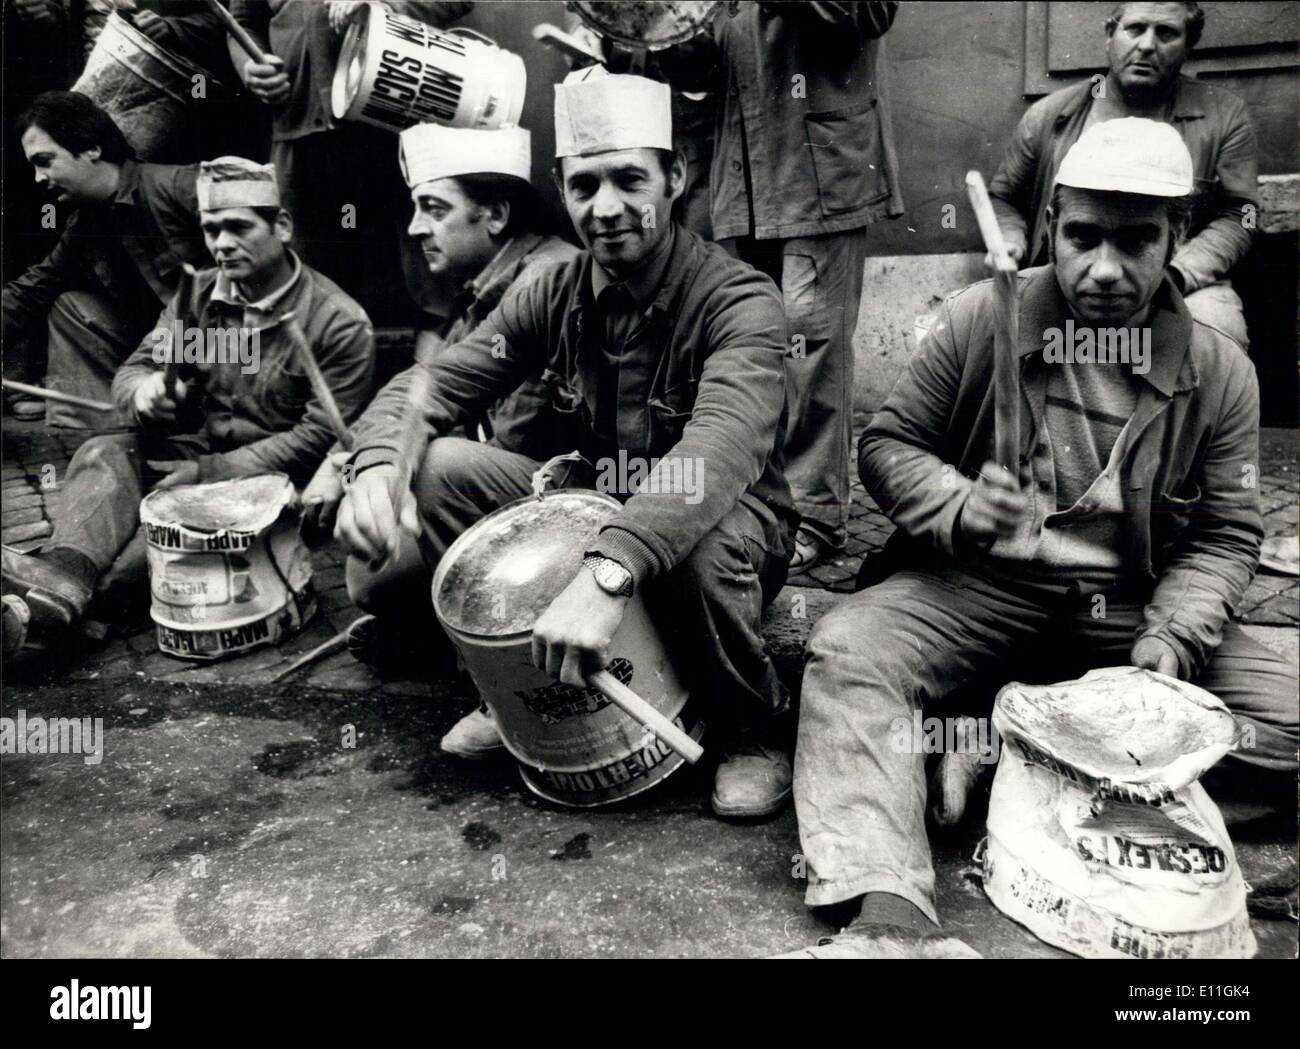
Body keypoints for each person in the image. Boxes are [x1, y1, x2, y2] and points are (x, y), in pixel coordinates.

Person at [781, 119, 1297, 958]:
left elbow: (1225, 533)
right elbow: (887, 443)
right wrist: (954, 503)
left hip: (1129, 604)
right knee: (847, 652)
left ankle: (990, 755)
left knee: (1291, 729)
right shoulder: (979, 316)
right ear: (1052, 223)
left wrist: (1173, 637)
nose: (1104, 270)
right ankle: (889, 913)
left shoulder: (1223, 370)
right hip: (983, 587)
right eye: (1083, 236)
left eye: (1136, 242)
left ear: (1174, 237)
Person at [335, 70, 800, 819]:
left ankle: (754, 724)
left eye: (629, 179)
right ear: (562, 186)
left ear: (675, 177)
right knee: (445, 469)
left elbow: (719, 446)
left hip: (723, 517)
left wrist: (612, 568)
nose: (607, 207)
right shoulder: (553, 292)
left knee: (705, 547)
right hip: (593, 505)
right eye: (585, 185)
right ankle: (517, 689)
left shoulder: (738, 298)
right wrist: (376, 466)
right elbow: (432, 388)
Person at [1, 157, 374, 646]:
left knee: (152, 551)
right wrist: (145, 391)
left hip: (272, 486)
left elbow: (318, 437)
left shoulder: (337, 322)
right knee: (105, 453)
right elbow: (136, 369)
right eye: (211, 229)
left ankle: (58, 610)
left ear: (281, 227)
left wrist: (208, 474)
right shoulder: (198, 296)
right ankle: (62, 577)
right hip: (194, 457)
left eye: (238, 227)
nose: (221, 244)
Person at [299, 122, 577, 692]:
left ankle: (500, 663)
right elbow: (425, 388)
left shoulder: (544, 281)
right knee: (370, 570)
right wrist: (344, 460)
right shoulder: (486, 286)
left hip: (579, 501)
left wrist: (393, 472)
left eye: (433, 208)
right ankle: (443, 631)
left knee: (420, 497)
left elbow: (510, 444)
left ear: (495, 215)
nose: (415, 227)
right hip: (520, 485)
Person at [707, 0, 904, 572]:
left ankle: (816, 514)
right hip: (744, 177)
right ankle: (762, 503)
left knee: (810, 348)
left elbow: (872, 11)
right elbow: (704, 62)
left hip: (820, 169)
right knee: (752, 347)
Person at [989, 1, 1257, 347]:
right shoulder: (1053, 115)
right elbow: (1004, 197)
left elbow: (1244, 215)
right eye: (1135, 29)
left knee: (1218, 334)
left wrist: (1179, 272)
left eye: (1166, 33)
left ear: (1188, 45)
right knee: (993, 332)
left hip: (1179, 276)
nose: (1147, 45)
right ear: (1109, 35)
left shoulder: (1223, 115)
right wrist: (1010, 239)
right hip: (1067, 274)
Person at [228, 0, 472, 325]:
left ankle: (438, 362)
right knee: (307, 292)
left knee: (432, 285)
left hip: (393, 121)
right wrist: (250, 66)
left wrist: (382, 4)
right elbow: (243, 21)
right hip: (299, 127)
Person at [2, 91, 209, 425]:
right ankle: (118, 428)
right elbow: (31, 290)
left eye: (44, 161)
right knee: (71, 305)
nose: (39, 178)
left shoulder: (179, 186)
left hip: (229, 349)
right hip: (161, 356)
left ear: (91, 148)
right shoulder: (85, 223)